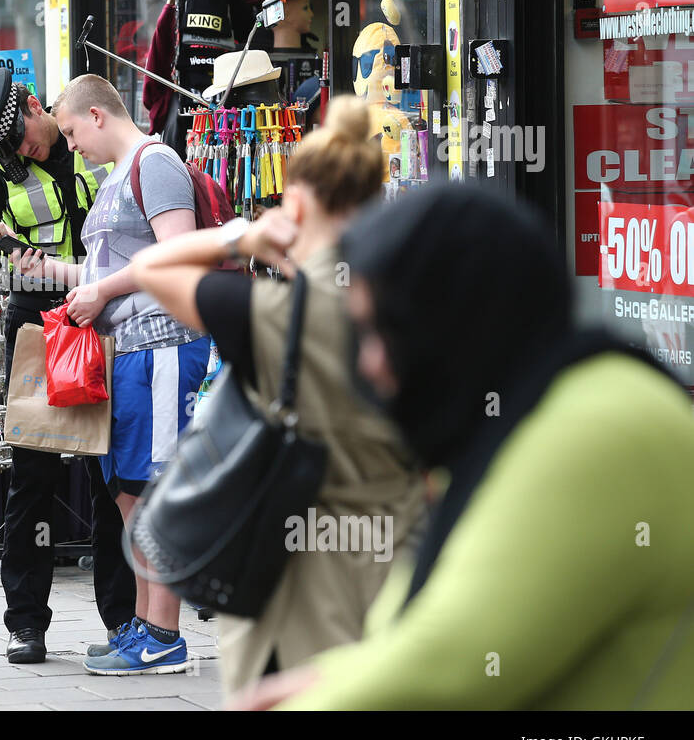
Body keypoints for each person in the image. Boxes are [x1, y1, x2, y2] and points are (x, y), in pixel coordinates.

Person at [231, 184, 694, 710]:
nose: (371, 364)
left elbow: (450, 667)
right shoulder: (513, 423)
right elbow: (415, 640)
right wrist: (324, 679)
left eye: (387, 331)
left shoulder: (600, 430)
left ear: (459, 317)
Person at [129, 96, 424, 696]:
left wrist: (240, 238)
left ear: (296, 204)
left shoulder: (276, 318)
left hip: (296, 597)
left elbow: (151, 268)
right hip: (406, 588)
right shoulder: (419, 315)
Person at [12, 73, 209, 676]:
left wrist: (98, 288)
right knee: (129, 492)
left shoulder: (157, 163)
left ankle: (163, 636)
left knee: (151, 494)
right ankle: (146, 629)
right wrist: (60, 275)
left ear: (97, 116)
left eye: (71, 133)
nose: (70, 146)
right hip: (127, 354)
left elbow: (181, 252)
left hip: (161, 346)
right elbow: (117, 268)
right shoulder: (120, 177)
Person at [0, 67, 133, 665]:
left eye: (25, 139)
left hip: (104, 316)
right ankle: (25, 624)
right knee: (32, 479)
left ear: (36, 105)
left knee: (113, 476)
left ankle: (123, 619)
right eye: (9, 150)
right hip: (37, 330)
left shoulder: (93, 139)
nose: (22, 153)